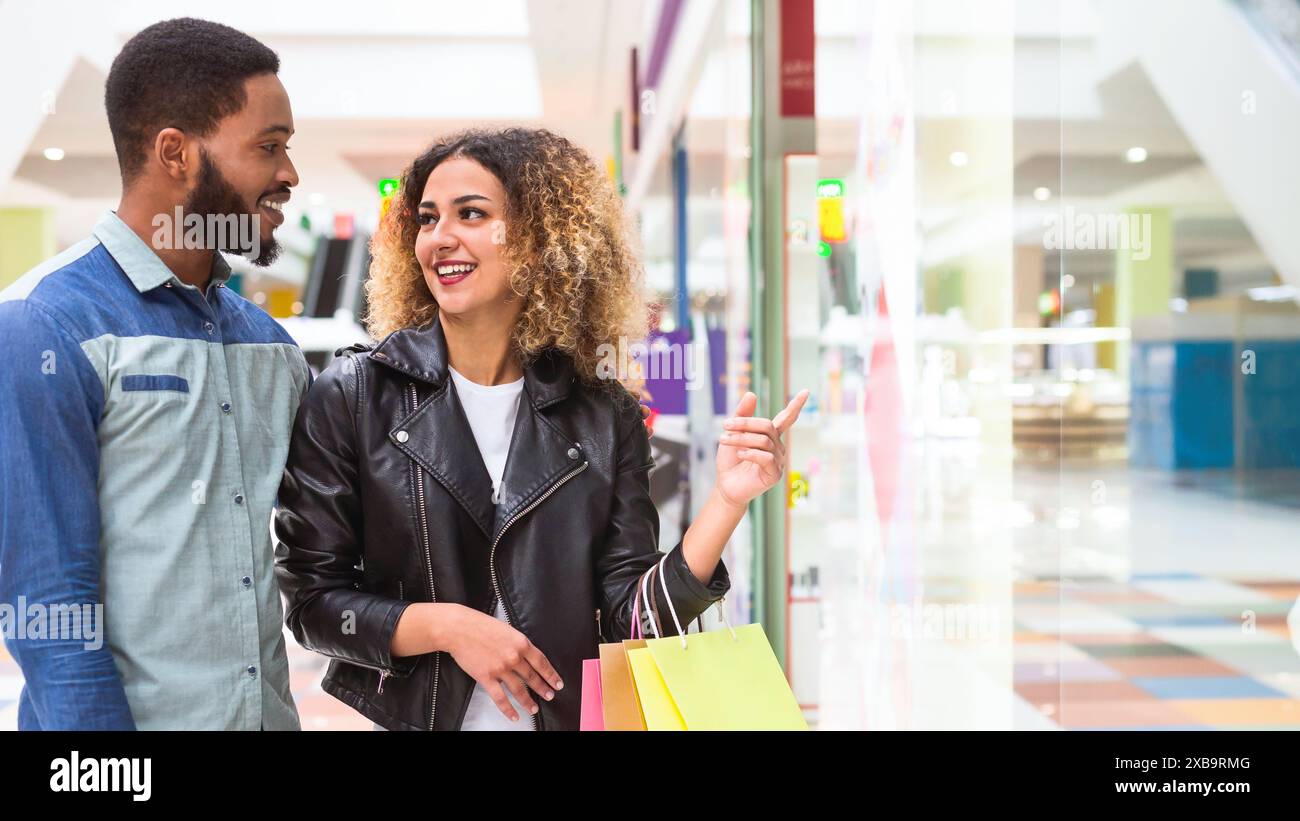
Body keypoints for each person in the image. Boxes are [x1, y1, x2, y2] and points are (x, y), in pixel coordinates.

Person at [274, 127, 808, 730]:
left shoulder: (605, 416)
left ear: (537, 239)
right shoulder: (354, 397)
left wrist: (726, 501)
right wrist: (449, 627)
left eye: (471, 214)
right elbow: (314, 607)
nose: (440, 238)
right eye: (427, 218)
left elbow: (634, 622)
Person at [0, 18, 307, 730]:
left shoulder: (271, 347)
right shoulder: (43, 324)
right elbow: (49, 601)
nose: (289, 174)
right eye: (270, 147)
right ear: (175, 152)